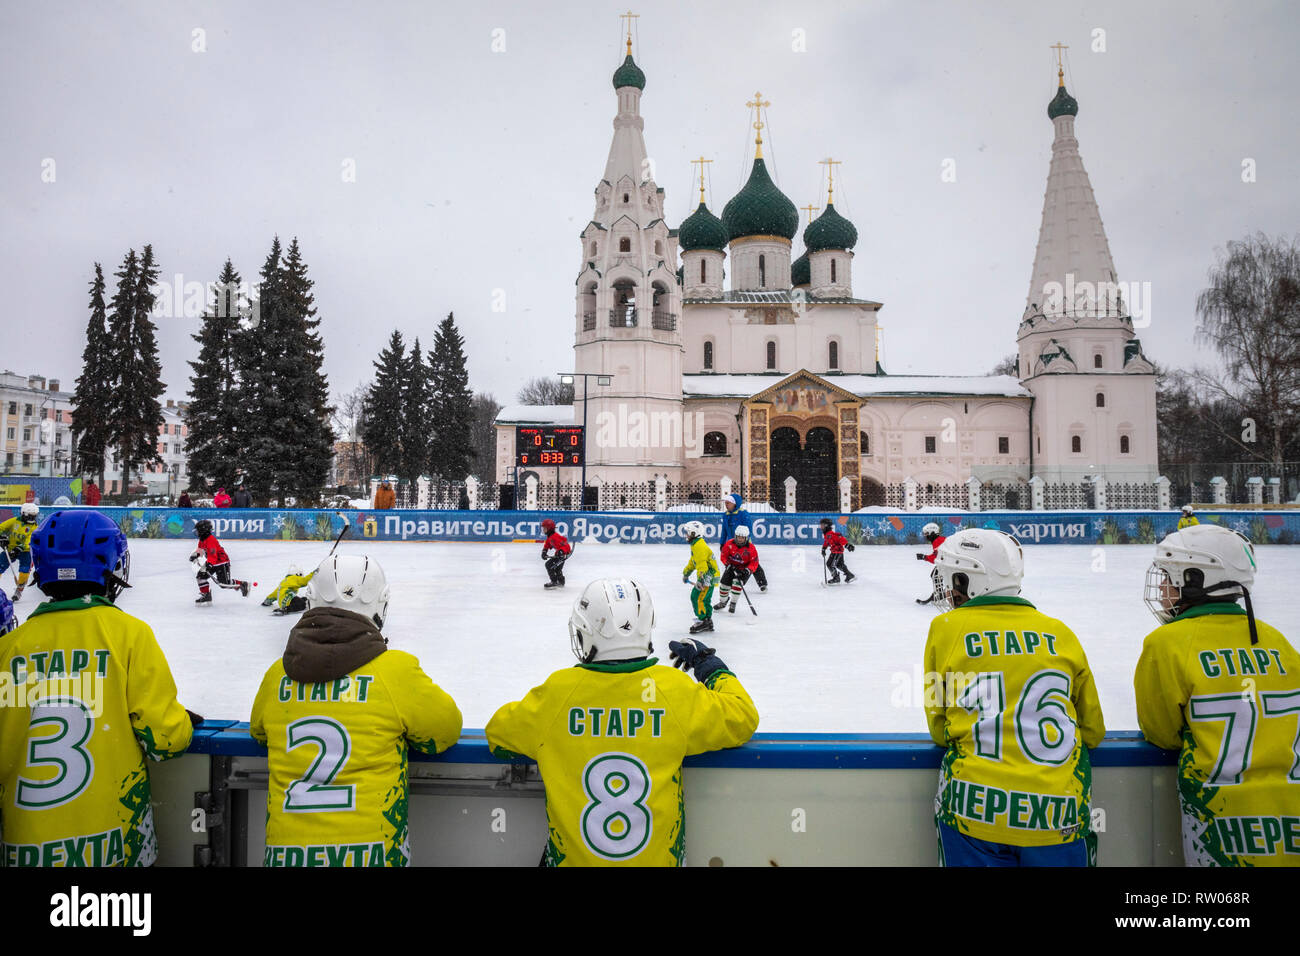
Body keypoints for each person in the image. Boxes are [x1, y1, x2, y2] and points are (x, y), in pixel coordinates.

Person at [485, 577, 759, 866]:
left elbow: (497, 734)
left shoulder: (557, 694)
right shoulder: (673, 691)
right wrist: (709, 666)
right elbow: (742, 716)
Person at [0, 510, 195, 866]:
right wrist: (181, 720)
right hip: (115, 846)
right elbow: (167, 740)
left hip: (25, 847)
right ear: (110, 566)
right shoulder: (129, 635)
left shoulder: (9, 646)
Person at [250, 554, 463, 867]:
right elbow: (444, 731)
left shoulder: (276, 676)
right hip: (373, 856)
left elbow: (259, 733)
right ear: (381, 606)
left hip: (287, 856)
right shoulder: (394, 671)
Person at [924, 528, 1105, 866]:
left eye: (951, 579)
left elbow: (939, 726)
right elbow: (1093, 730)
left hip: (973, 810)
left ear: (967, 582)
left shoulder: (945, 629)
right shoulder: (1060, 631)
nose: (947, 590)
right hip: (1057, 814)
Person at [1134, 524, 1300, 867]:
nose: (1162, 587)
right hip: (1290, 808)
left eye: (1167, 576)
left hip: (1220, 816)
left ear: (1194, 579)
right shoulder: (1277, 640)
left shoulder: (1166, 643)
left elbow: (1161, 733)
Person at [191, 518, 250, 604]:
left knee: (224, 584)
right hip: (212, 562)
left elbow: (213, 556)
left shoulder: (211, 540)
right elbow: (201, 549)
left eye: (198, 531)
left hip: (221, 562)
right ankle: (206, 595)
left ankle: (243, 584)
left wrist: (208, 565)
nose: (197, 533)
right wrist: (196, 555)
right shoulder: (202, 539)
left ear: (204, 531)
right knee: (200, 576)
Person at [720, 493, 768, 591]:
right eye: (726, 503)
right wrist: (722, 543)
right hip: (731, 544)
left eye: (728, 503)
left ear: (735, 504)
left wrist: (744, 543)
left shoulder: (743, 513)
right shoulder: (726, 515)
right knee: (731, 564)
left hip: (744, 543)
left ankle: (762, 583)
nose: (726, 505)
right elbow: (724, 530)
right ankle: (728, 583)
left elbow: (748, 528)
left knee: (753, 563)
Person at [681, 520, 719, 634]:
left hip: (708, 576)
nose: (686, 535)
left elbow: (702, 565)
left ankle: (703, 620)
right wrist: (686, 573)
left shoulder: (699, 546)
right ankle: (707, 620)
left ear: (694, 533)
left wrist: (700, 580)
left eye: (688, 533)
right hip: (709, 575)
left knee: (697, 598)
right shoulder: (696, 544)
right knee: (704, 598)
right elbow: (694, 562)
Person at [0, 502, 40, 601]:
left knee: (24, 571)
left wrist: (19, 548)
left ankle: (19, 589)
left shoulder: (35, 527)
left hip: (25, 552)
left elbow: (30, 540)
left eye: (34, 516)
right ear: (23, 514)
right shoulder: (14, 521)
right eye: (30, 516)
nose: (32, 519)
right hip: (9, 549)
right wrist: (1, 537)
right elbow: (1, 528)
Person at [715, 525, 759, 613]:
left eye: (742, 538)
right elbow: (723, 556)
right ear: (735, 536)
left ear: (746, 538)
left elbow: (754, 562)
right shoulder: (729, 544)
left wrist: (747, 570)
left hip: (744, 570)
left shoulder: (751, 548)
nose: (740, 539)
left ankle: (733, 603)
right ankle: (723, 602)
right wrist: (727, 564)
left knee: (737, 584)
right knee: (724, 586)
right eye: (738, 537)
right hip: (731, 567)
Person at [915, 521, 947, 604]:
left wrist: (924, 557)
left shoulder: (938, 541)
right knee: (935, 574)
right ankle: (939, 594)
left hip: (948, 563)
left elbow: (936, 558)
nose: (925, 536)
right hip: (947, 562)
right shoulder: (939, 540)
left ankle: (940, 595)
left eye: (926, 534)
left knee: (936, 575)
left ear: (932, 532)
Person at [819, 517, 855, 584]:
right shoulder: (827, 535)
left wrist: (847, 545)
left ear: (826, 526)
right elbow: (827, 542)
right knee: (839, 565)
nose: (821, 527)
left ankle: (836, 578)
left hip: (836, 552)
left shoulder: (831, 534)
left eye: (822, 525)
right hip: (837, 551)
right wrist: (824, 548)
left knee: (830, 564)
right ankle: (849, 575)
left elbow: (840, 538)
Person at [540, 518, 572, 589]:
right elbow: (547, 545)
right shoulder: (550, 537)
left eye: (544, 528)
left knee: (549, 565)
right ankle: (561, 581)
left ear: (549, 528)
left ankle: (554, 581)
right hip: (559, 555)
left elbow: (566, 545)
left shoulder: (555, 537)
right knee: (557, 568)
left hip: (562, 556)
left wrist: (561, 551)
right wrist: (544, 551)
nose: (543, 530)